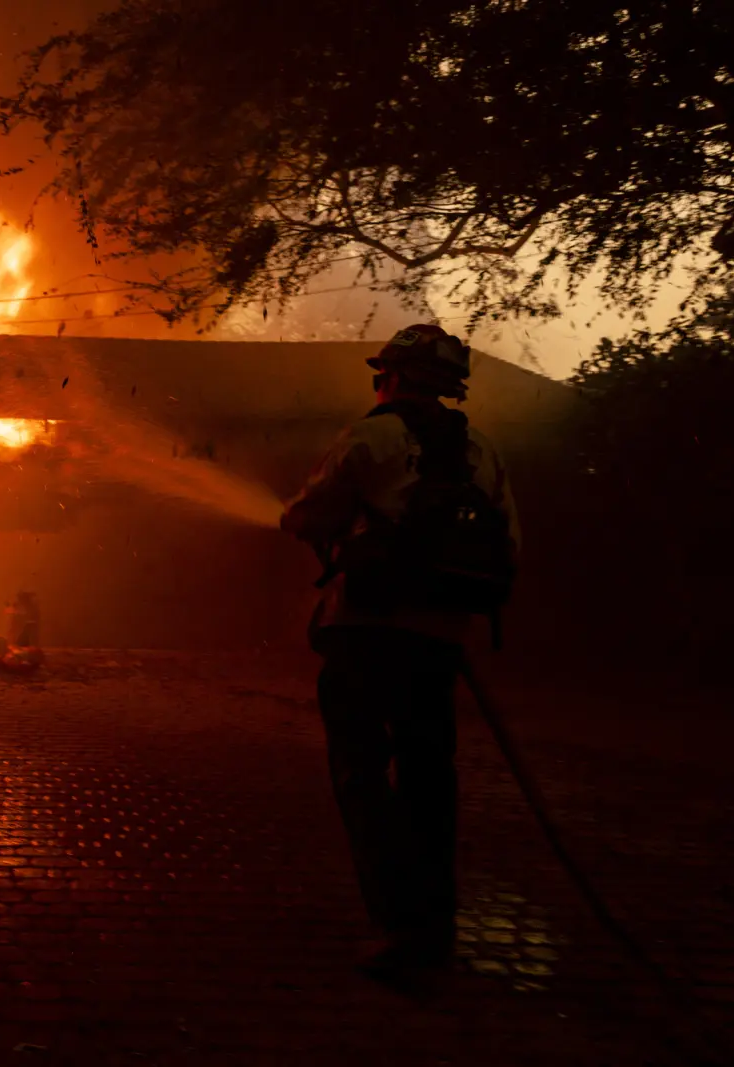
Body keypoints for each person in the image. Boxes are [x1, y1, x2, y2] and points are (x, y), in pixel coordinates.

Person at [280, 324, 520, 983]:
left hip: (365, 630)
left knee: (361, 777)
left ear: (393, 377)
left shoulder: (371, 437)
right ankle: (435, 923)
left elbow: (307, 515)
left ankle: (395, 924)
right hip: (440, 640)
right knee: (429, 778)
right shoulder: (481, 451)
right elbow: (511, 549)